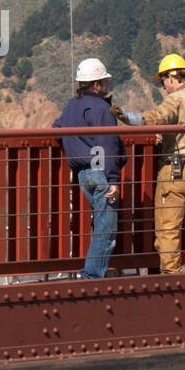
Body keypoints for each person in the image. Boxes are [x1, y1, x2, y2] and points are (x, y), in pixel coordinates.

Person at [116, 53, 185, 273]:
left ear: (173, 77)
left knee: (168, 227)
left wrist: (129, 118)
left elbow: (157, 117)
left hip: (175, 171)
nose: (164, 87)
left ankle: (171, 275)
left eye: (164, 81)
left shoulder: (176, 99)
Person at [53, 57, 126, 279]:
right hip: (100, 172)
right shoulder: (101, 108)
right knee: (106, 230)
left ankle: (91, 274)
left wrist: (76, 146)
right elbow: (109, 145)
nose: (106, 85)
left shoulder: (71, 106)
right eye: (104, 82)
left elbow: (56, 129)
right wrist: (114, 179)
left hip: (82, 173)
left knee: (100, 226)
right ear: (97, 85)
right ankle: (92, 277)